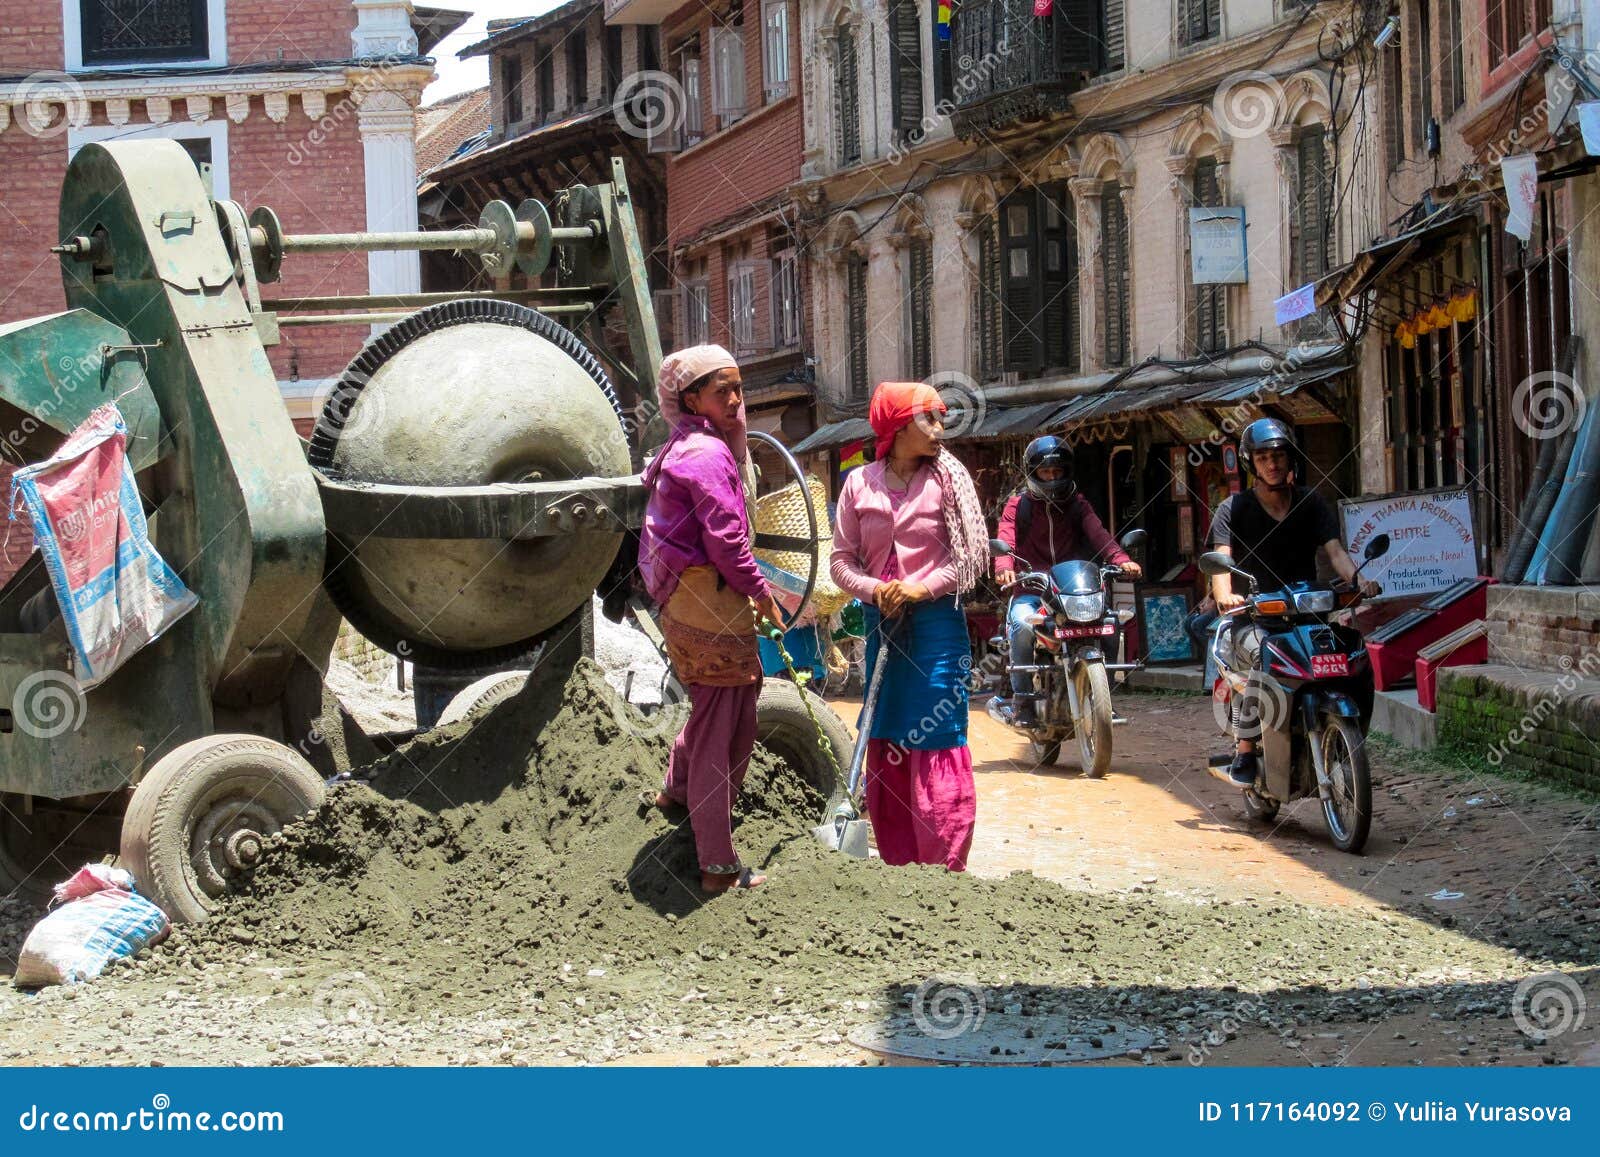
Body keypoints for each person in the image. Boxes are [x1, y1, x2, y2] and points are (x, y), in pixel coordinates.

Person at [638, 345, 784, 893]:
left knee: (726, 706)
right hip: (707, 599)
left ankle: (676, 792)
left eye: (739, 389)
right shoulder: (706, 453)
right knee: (726, 725)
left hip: (691, 598)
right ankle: (718, 867)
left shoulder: (686, 446)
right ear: (691, 398)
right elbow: (726, 541)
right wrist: (763, 595)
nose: (735, 400)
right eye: (722, 390)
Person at [830, 382, 992, 870]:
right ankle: (898, 861)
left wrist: (920, 588)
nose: (941, 430)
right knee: (891, 731)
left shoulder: (948, 480)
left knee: (938, 730)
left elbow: (971, 560)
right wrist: (875, 590)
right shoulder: (859, 484)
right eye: (931, 420)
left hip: (938, 627)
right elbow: (840, 562)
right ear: (899, 426)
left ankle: (943, 861)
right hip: (884, 625)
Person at [1209, 418, 1380, 786]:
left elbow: (1336, 553)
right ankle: (1245, 747)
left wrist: (1359, 580)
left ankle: (1351, 733)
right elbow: (1220, 559)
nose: (1273, 464)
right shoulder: (1233, 509)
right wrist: (1224, 595)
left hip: (1307, 614)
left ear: (1291, 459)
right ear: (1250, 463)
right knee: (1261, 656)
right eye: (1263, 457)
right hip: (1256, 617)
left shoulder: (1311, 502)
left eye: (1279, 455)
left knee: (1351, 651)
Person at [993, 435, 1142, 725]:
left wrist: (1121, 560)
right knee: (1022, 624)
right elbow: (1005, 537)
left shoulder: (1077, 504)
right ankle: (1022, 701)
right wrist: (1003, 565)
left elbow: (1099, 534)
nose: (1052, 477)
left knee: (1110, 624)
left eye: (1057, 471)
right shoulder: (1018, 505)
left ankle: (1104, 698)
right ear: (1033, 472)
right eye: (1045, 472)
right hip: (1032, 588)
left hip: (1071, 590)